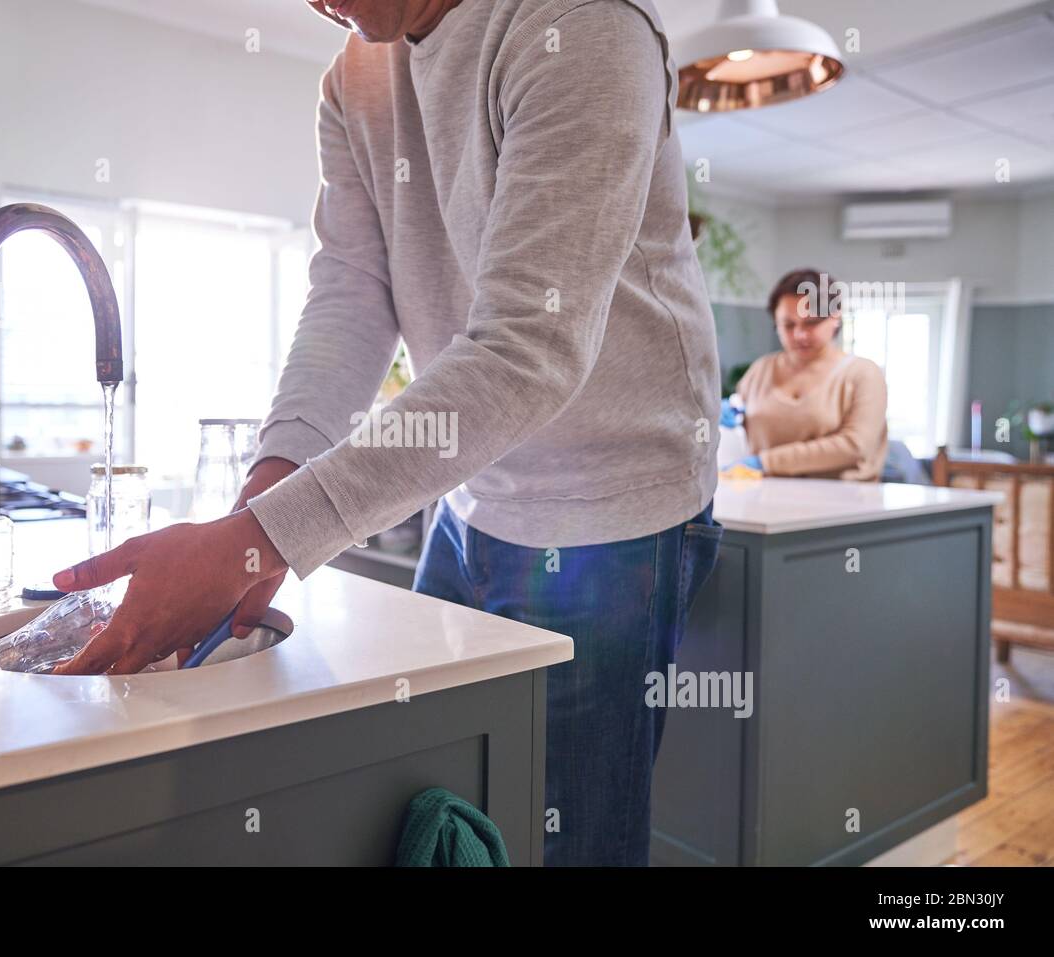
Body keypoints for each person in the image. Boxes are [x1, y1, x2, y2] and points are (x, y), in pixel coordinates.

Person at [52, 0, 723, 866]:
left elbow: (530, 347)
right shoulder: (355, 75)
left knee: (569, 840)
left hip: (613, 507)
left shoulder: (585, 23)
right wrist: (261, 505)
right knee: (439, 814)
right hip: (473, 493)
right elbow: (350, 294)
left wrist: (262, 542)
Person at [722, 268, 888, 481]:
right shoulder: (761, 370)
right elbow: (740, 421)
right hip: (764, 502)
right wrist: (729, 416)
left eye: (812, 323)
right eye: (788, 325)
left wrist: (766, 462)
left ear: (835, 318)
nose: (799, 335)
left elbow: (855, 445)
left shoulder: (863, 374)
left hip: (846, 505)